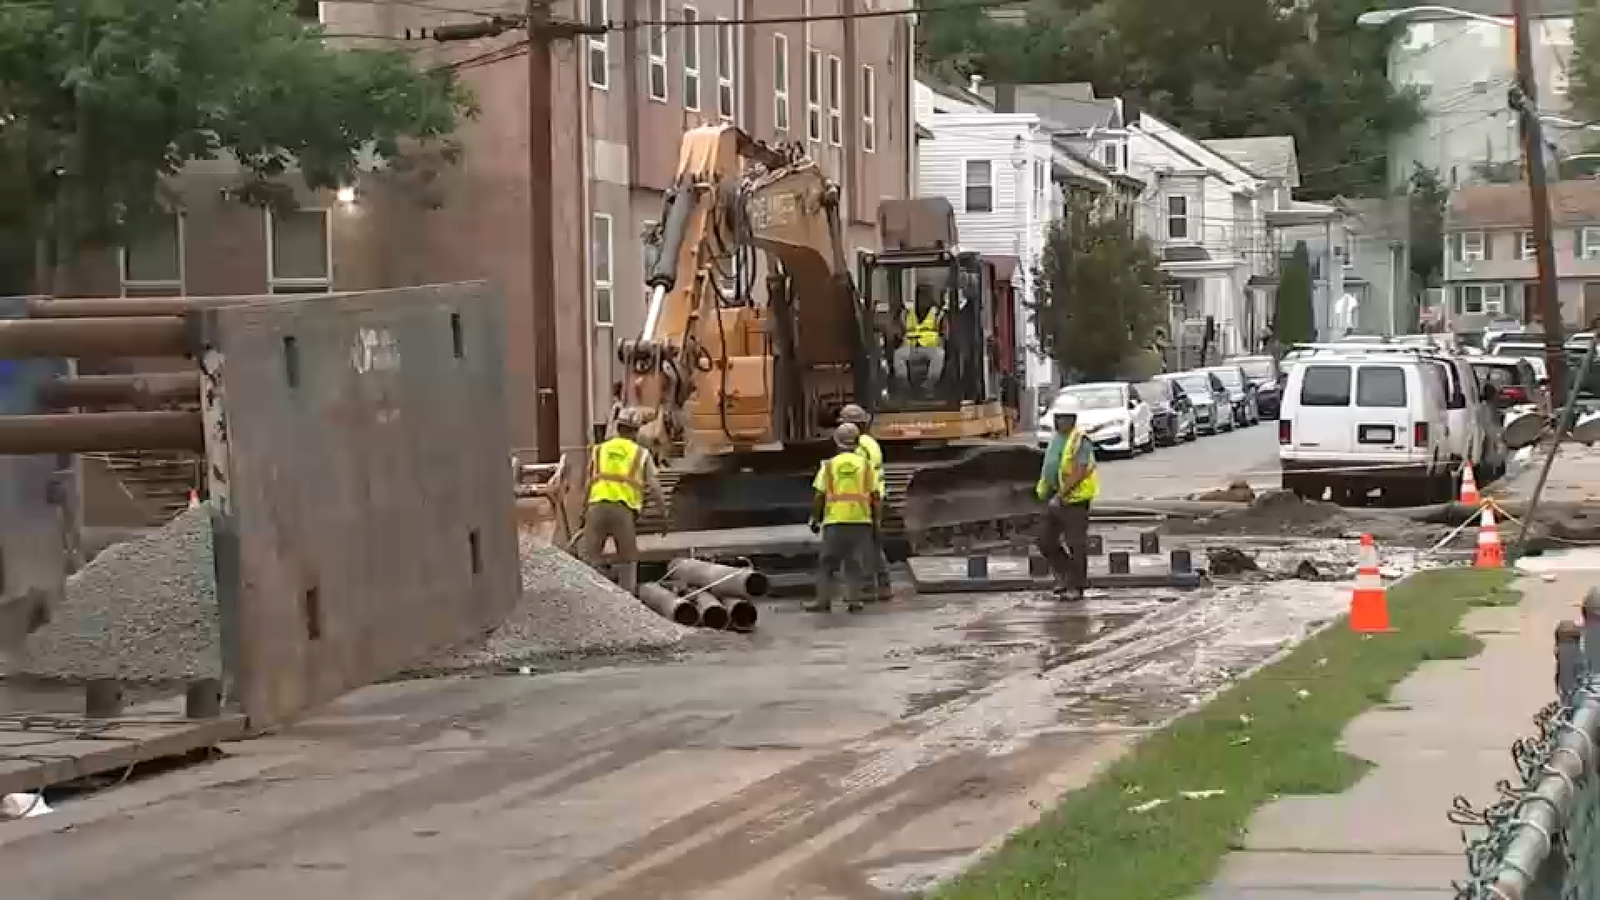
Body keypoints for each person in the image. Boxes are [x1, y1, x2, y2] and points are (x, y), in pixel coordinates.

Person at [579, 407, 663, 595]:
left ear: (618, 427)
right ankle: (628, 604)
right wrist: (663, 513)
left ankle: (588, 598)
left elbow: (588, 482)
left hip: (596, 507)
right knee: (628, 560)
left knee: (589, 560)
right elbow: (655, 487)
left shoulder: (599, 450)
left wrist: (582, 512)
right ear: (636, 431)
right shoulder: (641, 453)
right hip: (622, 511)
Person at [806, 423, 881, 613]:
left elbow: (819, 495)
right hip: (860, 521)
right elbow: (875, 496)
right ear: (857, 443)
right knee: (854, 563)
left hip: (834, 522)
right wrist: (877, 520)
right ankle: (854, 601)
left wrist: (815, 518)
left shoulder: (829, 465)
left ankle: (822, 601)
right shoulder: (866, 466)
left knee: (826, 564)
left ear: (836, 442)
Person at [1035, 396, 1098, 602]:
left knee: (1076, 543)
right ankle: (1066, 576)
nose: (1057, 421)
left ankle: (1076, 586)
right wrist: (1044, 493)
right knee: (1045, 540)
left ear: (1071, 419)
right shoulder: (1056, 438)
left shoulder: (1080, 439)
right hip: (1054, 498)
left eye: (1061, 418)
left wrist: (1061, 496)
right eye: (1056, 417)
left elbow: (1079, 470)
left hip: (1074, 500)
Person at [840, 403, 890, 598]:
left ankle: (868, 587)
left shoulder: (861, 447)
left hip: (868, 500)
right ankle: (884, 586)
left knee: (862, 546)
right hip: (874, 498)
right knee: (873, 544)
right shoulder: (870, 442)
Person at [894, 285, 945, 395]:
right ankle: (905, 387)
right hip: (911, 348)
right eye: (919, 296)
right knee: (898, 355)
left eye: (925, 296)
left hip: (930, 348)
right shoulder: (908, 312)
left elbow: (944, 332)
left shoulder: (937, 313)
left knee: (940, 354)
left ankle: (927, 386)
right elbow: (900, 329)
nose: (922, 299)